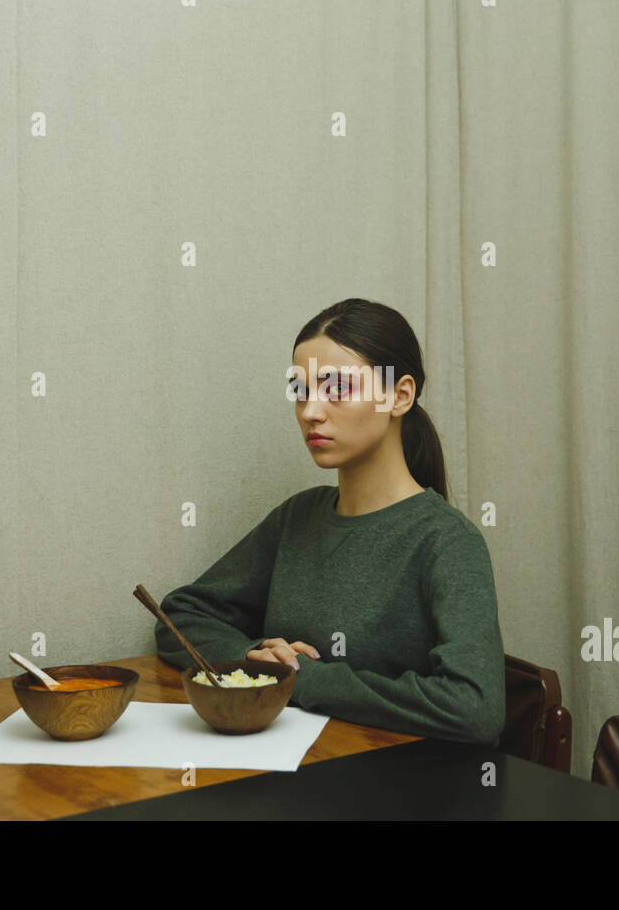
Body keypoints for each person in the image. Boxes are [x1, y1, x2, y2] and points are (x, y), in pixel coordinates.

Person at [153, 298, 506, 746]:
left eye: (336, 388)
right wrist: (252, 658)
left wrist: (304, 680)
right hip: (291, 771)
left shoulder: (446, 541)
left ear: (399, 395)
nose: (310, 412)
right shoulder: (298, 518)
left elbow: (474, 709)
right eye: (300, 390)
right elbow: (179, 615)